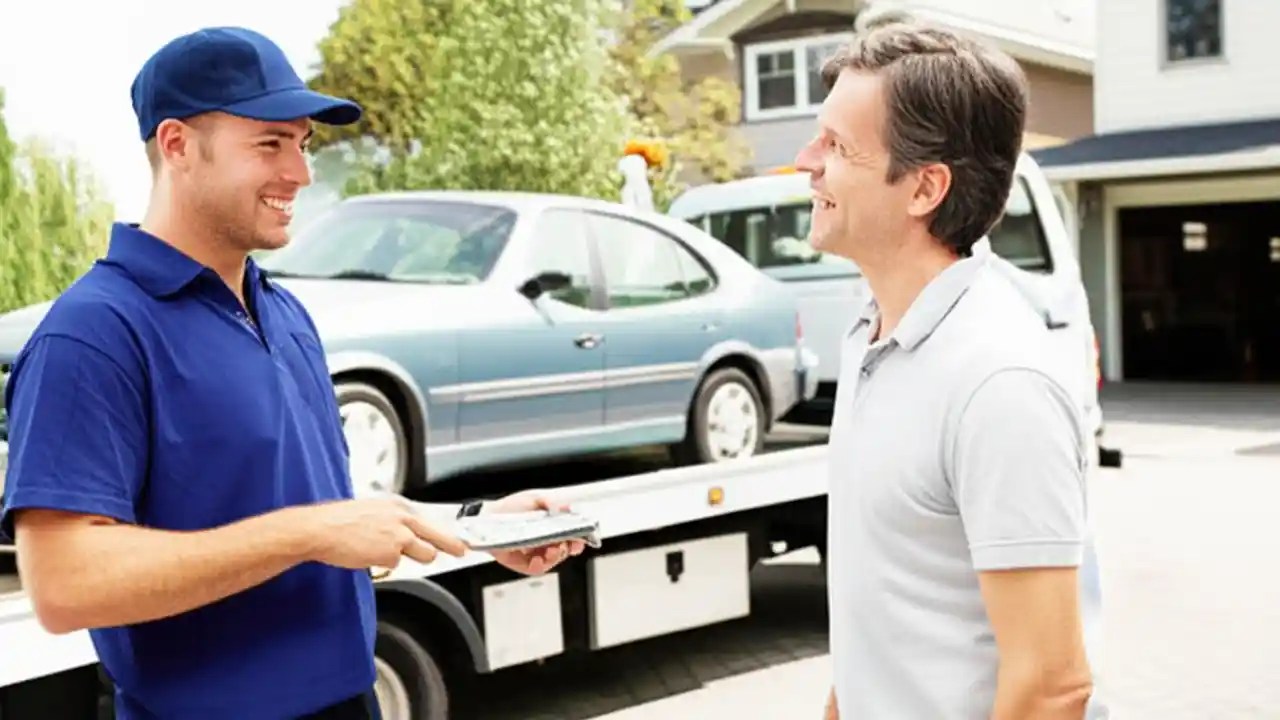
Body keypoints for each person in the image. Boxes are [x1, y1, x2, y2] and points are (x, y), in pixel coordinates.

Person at [0, 26, 584, 719]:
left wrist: (479, 525)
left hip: (349, 701)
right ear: (178, 145)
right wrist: (308, 533)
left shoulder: (282, 311)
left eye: (302, 144)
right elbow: (65, 586)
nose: (301, 174)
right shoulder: (93, 334)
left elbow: (325, 516)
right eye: (270, 144)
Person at [793, 20, 1106, 720]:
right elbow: (883, 623)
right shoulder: (872, 340)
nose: (806, 160)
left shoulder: (999, 383)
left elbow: (1053, 686)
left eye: (837, 146)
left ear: (924, 188)